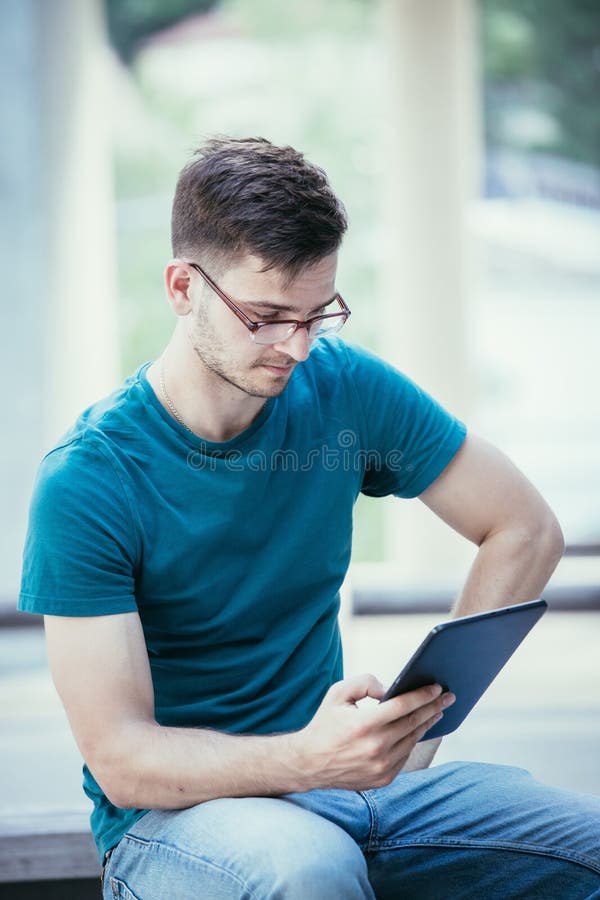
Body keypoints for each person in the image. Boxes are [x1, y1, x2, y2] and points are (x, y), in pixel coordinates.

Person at [19, 136, 600, 899]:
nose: (296, 345)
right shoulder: (89, 479)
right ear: (181, 287)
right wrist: (308, 760)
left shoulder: (345, 388)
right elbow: (123, 760)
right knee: (309, 870)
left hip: (353, 793)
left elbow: (526, 529)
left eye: (317, 313)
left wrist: (416, 729)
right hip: (175, 827)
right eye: (265, 316)